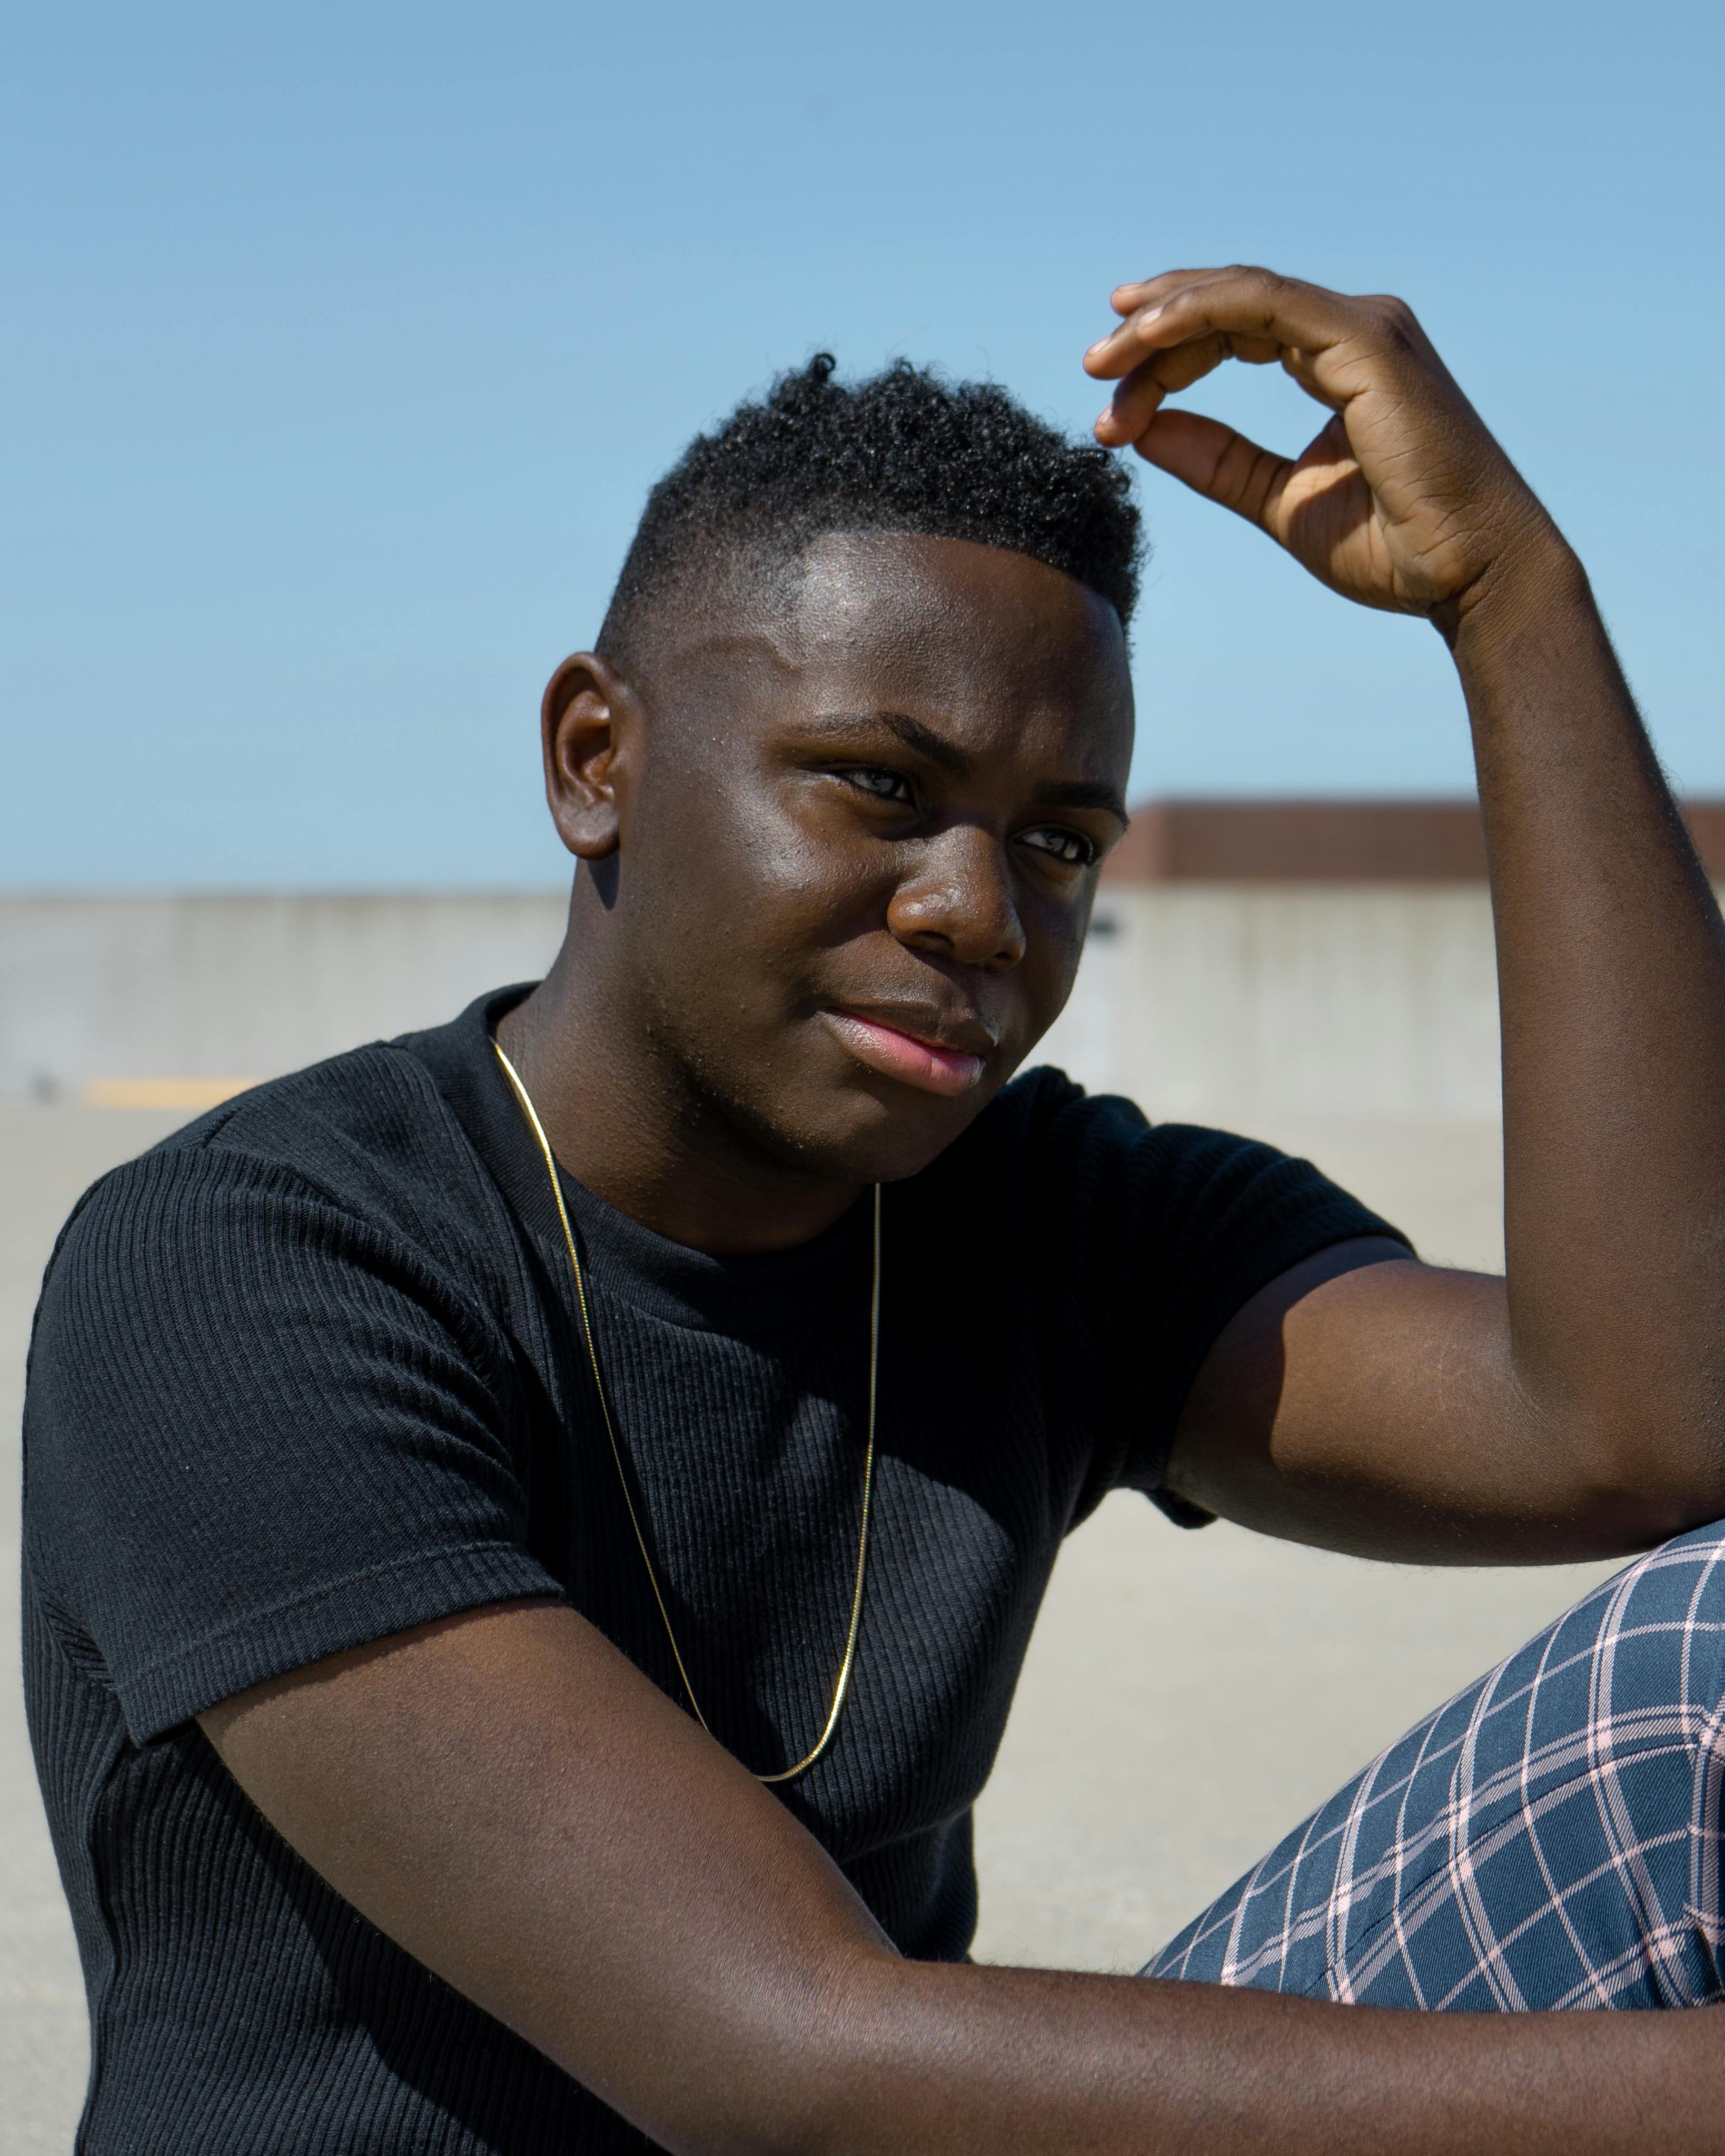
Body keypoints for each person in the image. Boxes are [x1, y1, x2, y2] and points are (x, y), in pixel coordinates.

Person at [22, 264, 1725, 2154]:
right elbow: (774, 2060)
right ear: (598, 761)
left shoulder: (1047, 1218)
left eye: (1060, 841)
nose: (979, 915)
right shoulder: (245, 1266)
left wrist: (1511, 603)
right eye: (876, 787)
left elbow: (1639, 1430)